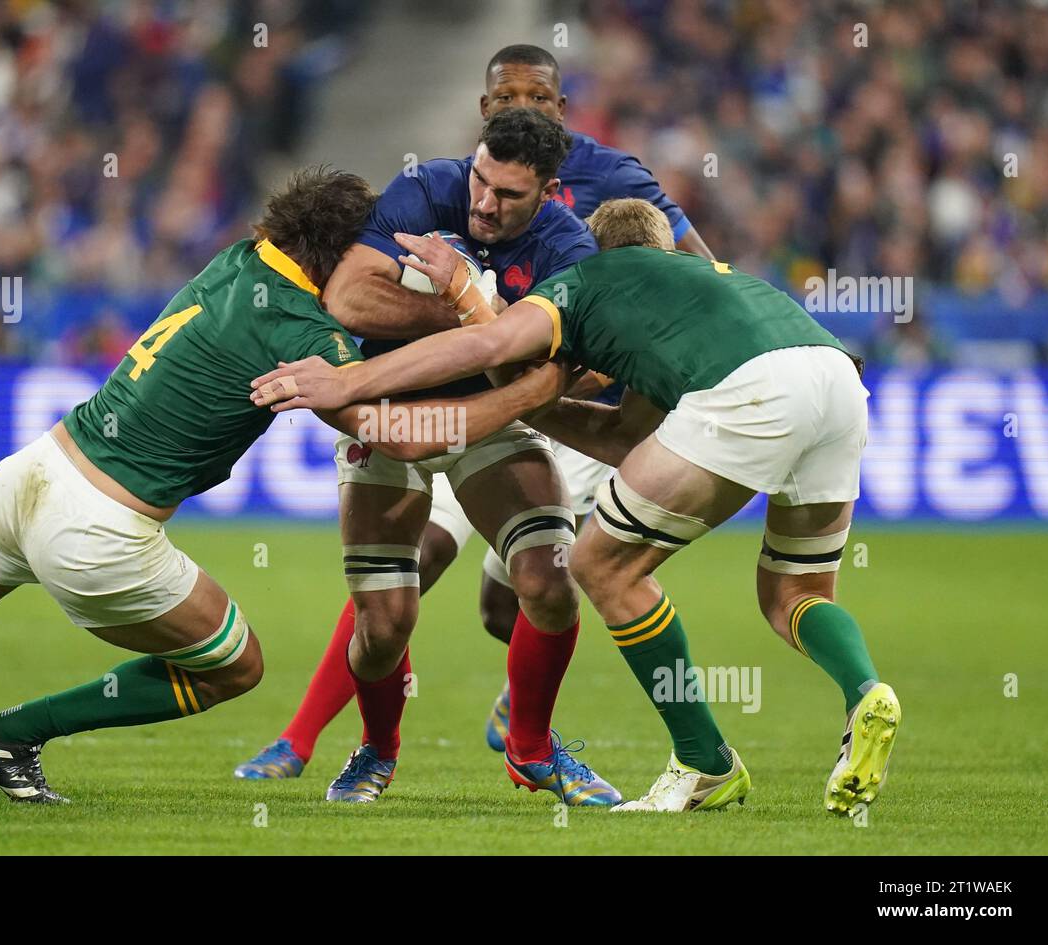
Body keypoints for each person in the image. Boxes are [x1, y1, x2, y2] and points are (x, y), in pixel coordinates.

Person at [0, 167, 562, 804]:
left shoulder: (236, 261)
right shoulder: (299, 331)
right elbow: (398, 433)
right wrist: (525, 388)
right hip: (97, 530)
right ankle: (12, 732)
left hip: (29, 474)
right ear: (340, 251)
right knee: (235, 665)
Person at [252, 198, 901, 817]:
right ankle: (866, 690)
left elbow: (490, 345)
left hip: (749, 392)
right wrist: (535, 406)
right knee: (795, 592)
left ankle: (703, 760)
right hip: (837, 379)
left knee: (600, 565)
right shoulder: (710, 282)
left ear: (595, 249)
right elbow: (622, 435)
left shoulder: (587, 279)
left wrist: (362, 375)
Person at [237, 42, 716, 783]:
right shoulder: (426, 188)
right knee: (385, 622)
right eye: (481, 184)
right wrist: (484, 319)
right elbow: (351, 298)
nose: (485, 205)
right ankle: (372, 748)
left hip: (494, 418)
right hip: (393, 412)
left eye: (507, 195)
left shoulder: (578, 231)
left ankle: (530, 748)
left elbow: (568, 367)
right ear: (482, 119)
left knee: (546, 584)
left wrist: (478, 309)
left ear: (549, 188)